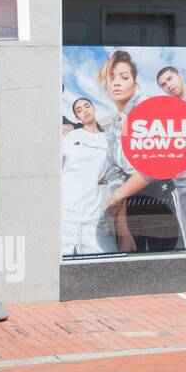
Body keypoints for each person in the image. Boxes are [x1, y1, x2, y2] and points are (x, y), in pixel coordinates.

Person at [98, 50, 181, 253]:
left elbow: (155, 165)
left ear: (134, 85)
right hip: (131, 207)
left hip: (159, 200)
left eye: (124, 77)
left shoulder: (146, 106)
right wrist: (124, 230)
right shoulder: (113, 128)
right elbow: (118, 178)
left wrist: (115, 196)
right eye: (111, 78)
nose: (116, 82)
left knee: (163, 264)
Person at [61, 97, 113, 255]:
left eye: (87, 106)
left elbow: (111, 171)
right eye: (79, 110)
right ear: (77, 117)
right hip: (65, 210)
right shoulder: (70, 136)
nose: (84, 111)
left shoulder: (108, 140)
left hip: (94, 211)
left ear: (94, 108)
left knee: (103, 259)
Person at [155, 65, 186, 249]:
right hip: (184, 177)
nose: (168, 86)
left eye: (169, 79)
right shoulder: (169, 110)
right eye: (163, 84)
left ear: (180, 75)